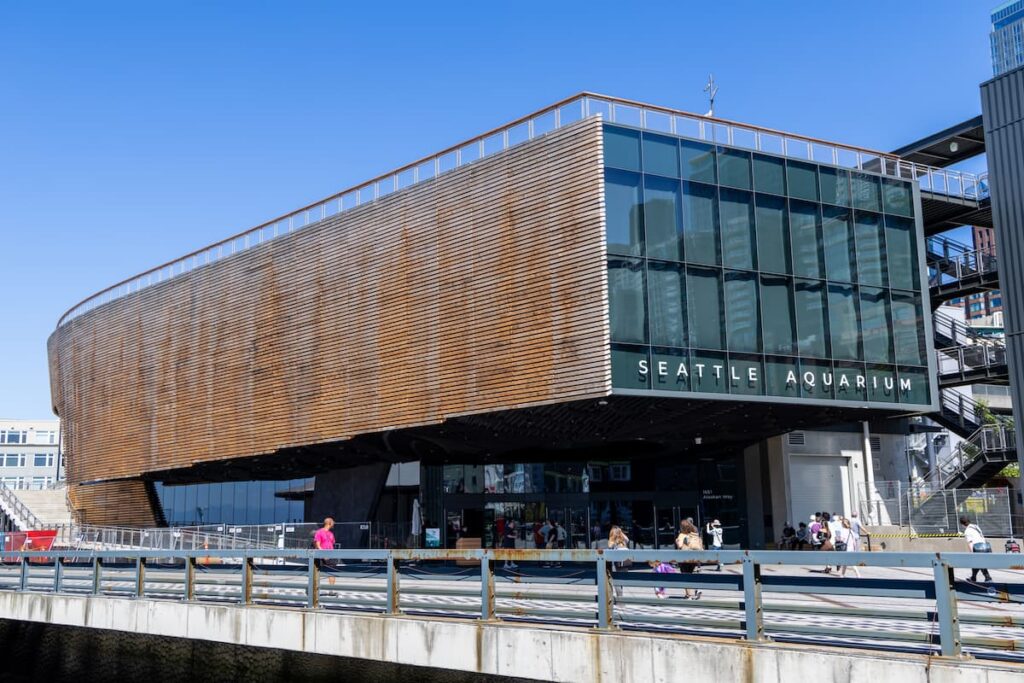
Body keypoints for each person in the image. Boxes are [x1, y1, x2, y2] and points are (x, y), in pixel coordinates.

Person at [675, 520, 703, 600]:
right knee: (692, 574)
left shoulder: (682, 535)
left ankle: (688, 595)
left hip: (684, 560)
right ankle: (697, 590)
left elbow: (680, 546)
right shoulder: (694, 535)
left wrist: (677, 541)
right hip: (694, 559)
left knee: (685, 576)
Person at [961, 516, 993, 583]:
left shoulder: (967, 531)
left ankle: (988, 578)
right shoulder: (976, 526)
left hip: (978, 548)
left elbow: (970, 543)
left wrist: (972, 553)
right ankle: (973, 578)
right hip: (985, 546)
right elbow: (982, 536)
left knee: (978, 563)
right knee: (976, 563)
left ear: (962, 524)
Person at [608, 525, 631, 598]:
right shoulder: (624, 541)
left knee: (616, 582)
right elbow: (628, 539)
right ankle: (620, 597)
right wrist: (620, 532)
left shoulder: (612, 542)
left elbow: (609, 547)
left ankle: (620, 599)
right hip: (625, 563)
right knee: (621, 582)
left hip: (616, 564)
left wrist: (614, 533)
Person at [314, 517, 337, 585]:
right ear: (329, 523)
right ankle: (315, 591)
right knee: (316, 573)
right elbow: (317, 545)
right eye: (332, 522)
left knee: (332, 573)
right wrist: (323, 555)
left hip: (330, 555)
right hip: (321, 556)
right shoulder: (319, 532)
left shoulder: (331, 534)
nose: (333, 524)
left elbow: (332, 544)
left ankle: (331, 590)